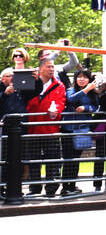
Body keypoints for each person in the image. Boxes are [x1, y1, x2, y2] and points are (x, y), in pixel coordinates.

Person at [25, 57, 67, 197]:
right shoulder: (30, 84)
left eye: (52, 67)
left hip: (51, 130)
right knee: (33, 161)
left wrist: (57, 111)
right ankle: (35, 189)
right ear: (40, 68)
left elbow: (61, 102)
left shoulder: (59, 85)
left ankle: (51, 189)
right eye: (48, 67)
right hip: (33, 129)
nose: (51, 69)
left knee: (53, 161)